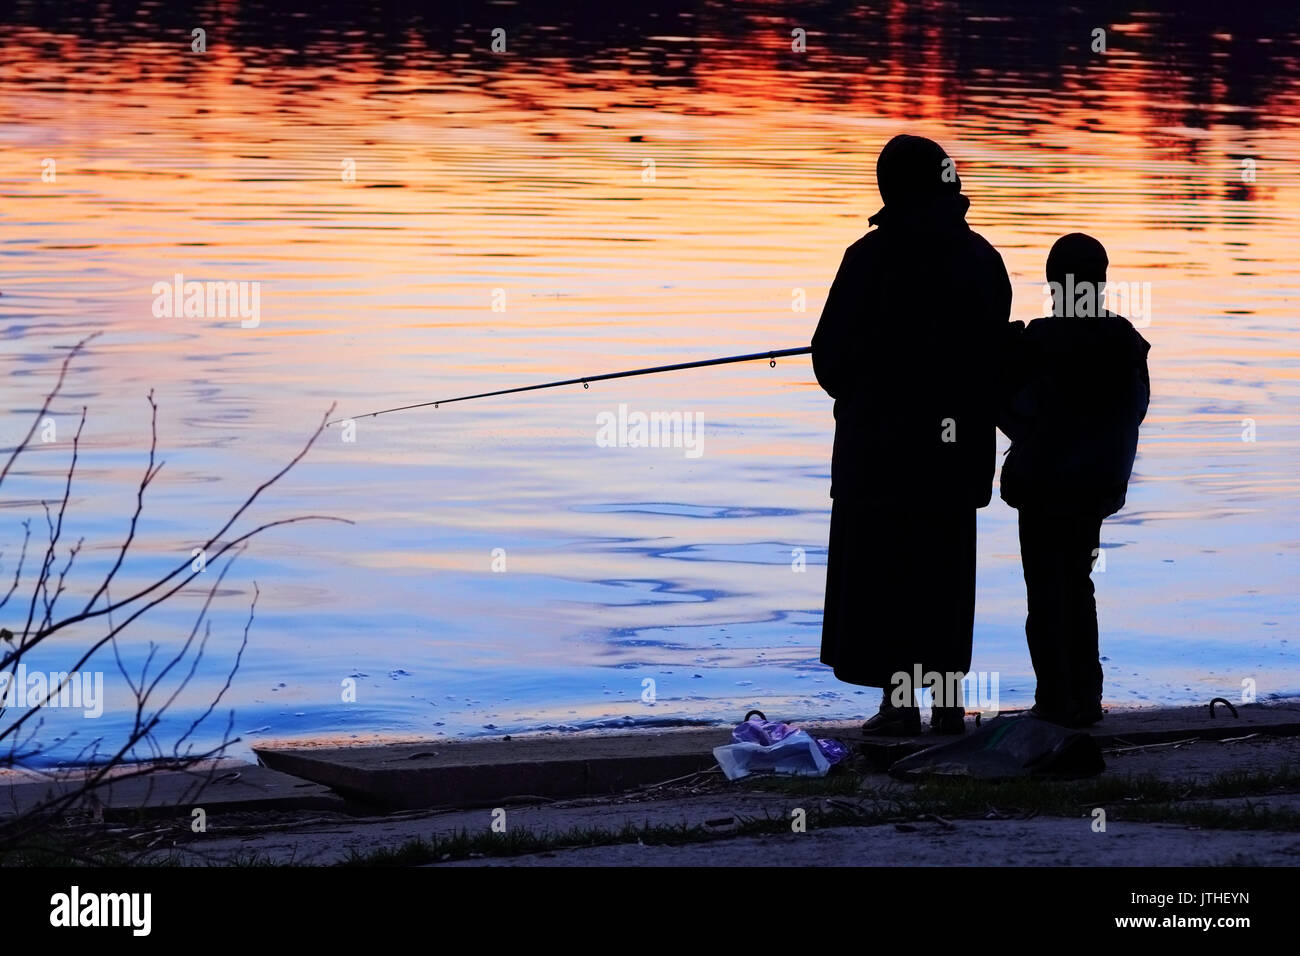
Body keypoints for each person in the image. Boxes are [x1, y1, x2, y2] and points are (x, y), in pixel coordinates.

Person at [812, 134, 1013, 735]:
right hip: (954, 460)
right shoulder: (981, 258)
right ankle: (949, 710)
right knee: (944, 580)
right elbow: (993, 359)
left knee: (888, 576)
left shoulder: (868, 258)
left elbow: (829, 359)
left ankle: (899, 710)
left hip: (880, 456)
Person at [999, 233, 1151, 727]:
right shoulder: (1125, 342)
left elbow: (1012, 412)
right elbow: (1135, 411)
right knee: (1078, 585)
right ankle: (1086, 697)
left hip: (1044, 489)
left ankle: (1054, 699)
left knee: (1045, 592)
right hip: (1093, 489)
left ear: (1051, 284)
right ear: (1102, 282)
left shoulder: (1038, 342)